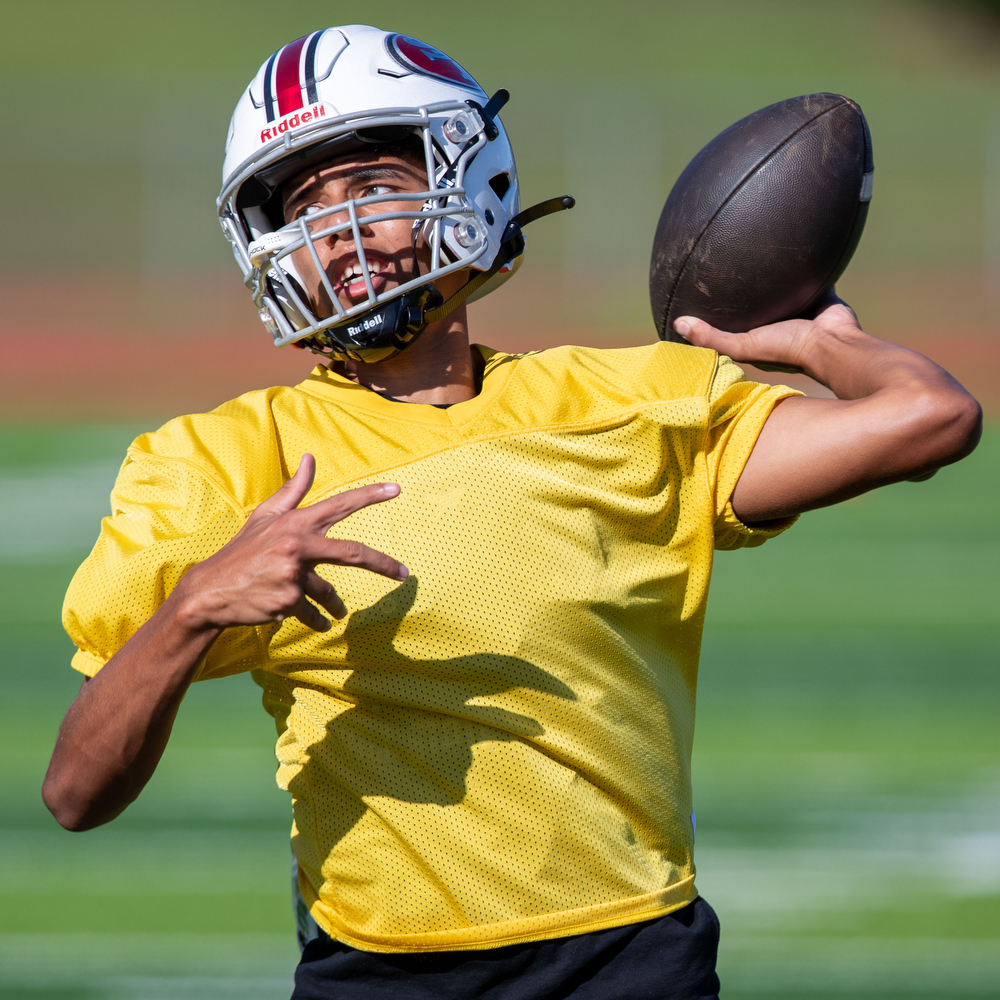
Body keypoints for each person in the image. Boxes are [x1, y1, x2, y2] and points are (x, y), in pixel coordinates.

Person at [42, 24, 981, 1000]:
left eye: (368, 190)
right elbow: (76, 791)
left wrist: (810, 337)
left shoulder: (629, 404)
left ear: (464, 174)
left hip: (629, 967)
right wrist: (193, 605)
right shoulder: (221, 461)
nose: (337, 233)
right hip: (378, 978)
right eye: (305, 208)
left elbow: (929, 416)